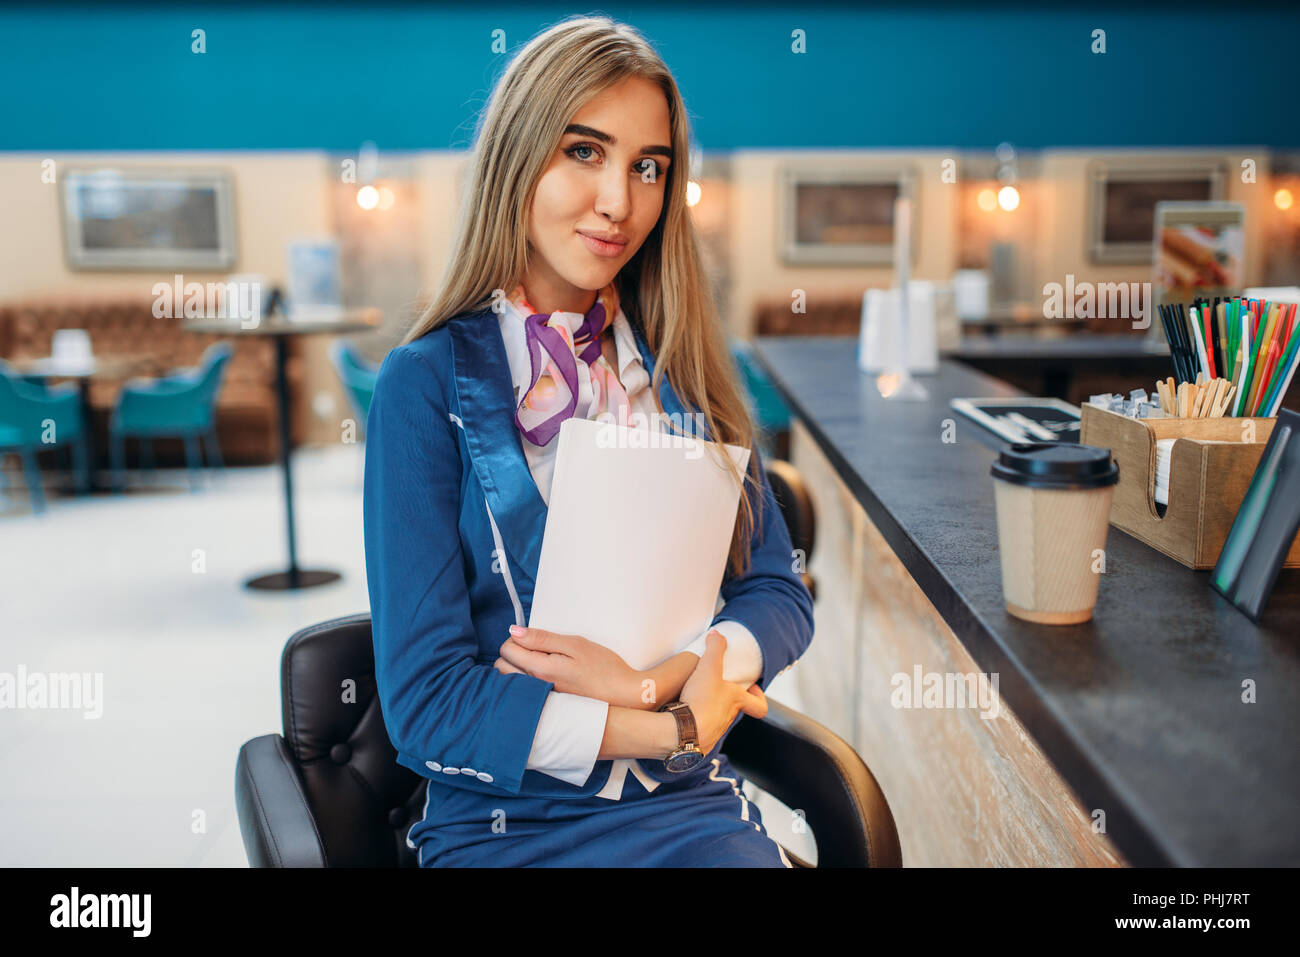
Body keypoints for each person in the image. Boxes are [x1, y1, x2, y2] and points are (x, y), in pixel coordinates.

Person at [362, 14, 814, 867]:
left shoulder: (683, 369)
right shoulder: (421, 387)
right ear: (517, 157)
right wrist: (662, 721)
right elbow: (426, 707)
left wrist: (672, 670)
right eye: (584, 151)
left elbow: (780, 592)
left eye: (649, 167)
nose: (620, 202)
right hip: (507, 825)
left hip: (689, 811)